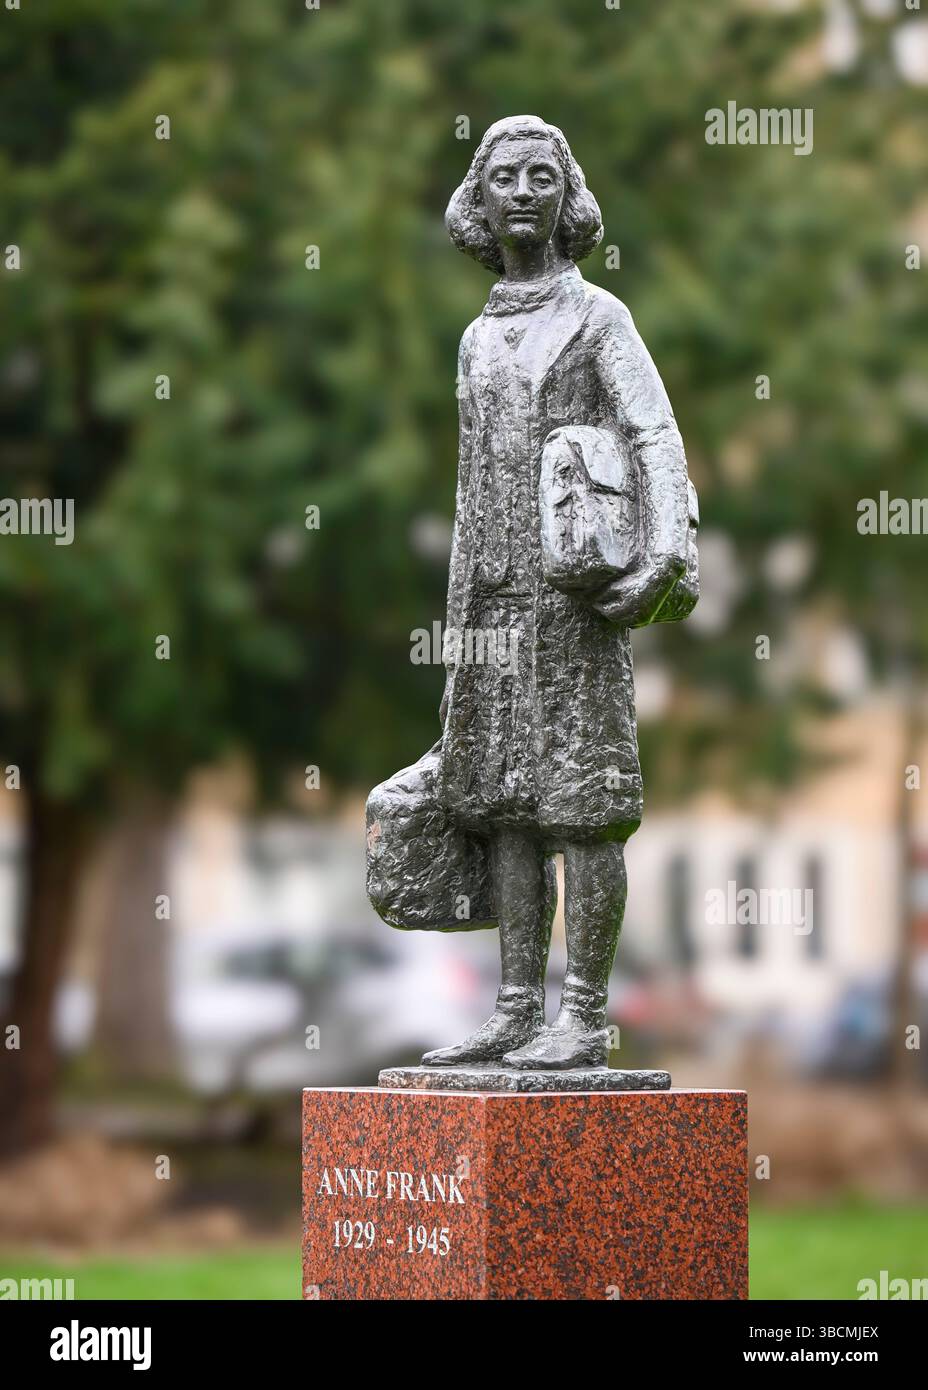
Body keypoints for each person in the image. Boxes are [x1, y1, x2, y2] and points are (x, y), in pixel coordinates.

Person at [423, 116, 692, 1070]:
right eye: (506, 177)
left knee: (582, 807)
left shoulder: (598, 318)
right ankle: (514, 1008)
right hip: (489, 603)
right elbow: (468, 487)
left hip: (572, 606)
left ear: (567, 193)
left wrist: (667, 548)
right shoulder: (475, 336)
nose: (526, 191)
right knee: (503, 805)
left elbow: (654, 434)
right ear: (481, 199)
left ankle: (582, 1014)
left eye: (544, 174)